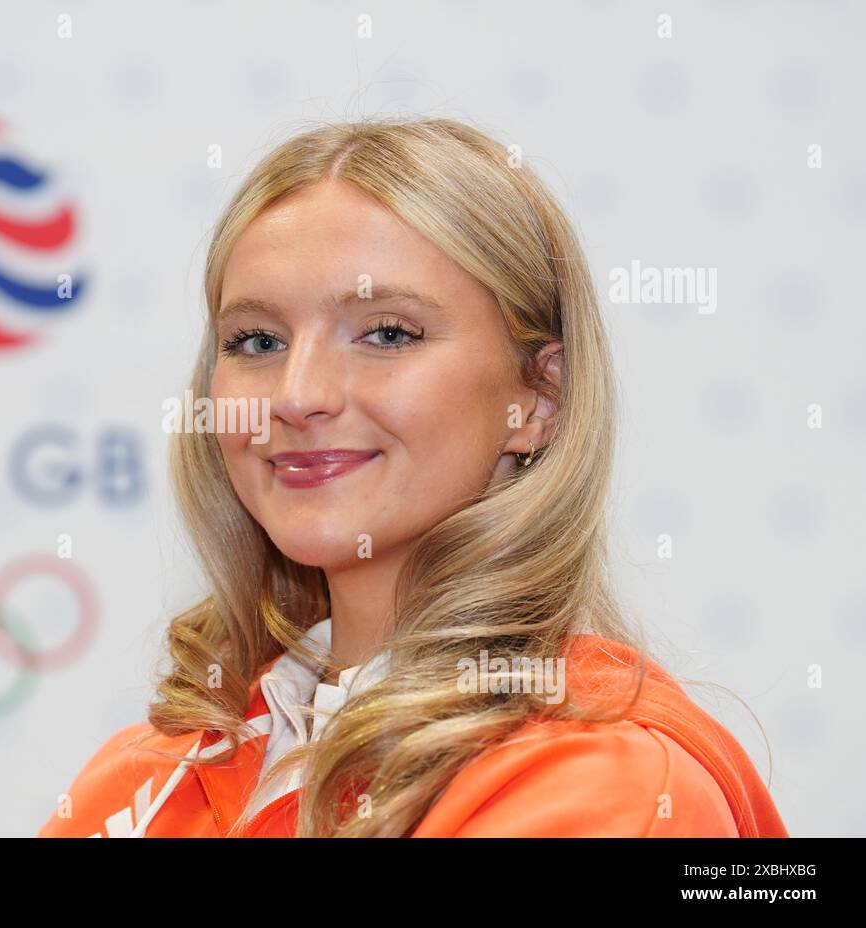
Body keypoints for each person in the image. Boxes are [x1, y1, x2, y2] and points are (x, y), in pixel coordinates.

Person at [39, 117, 788, 837]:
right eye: (257, 340)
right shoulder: (144, 781)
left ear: (538, 398)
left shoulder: (608, 782)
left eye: (388, 333)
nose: (297, 395)